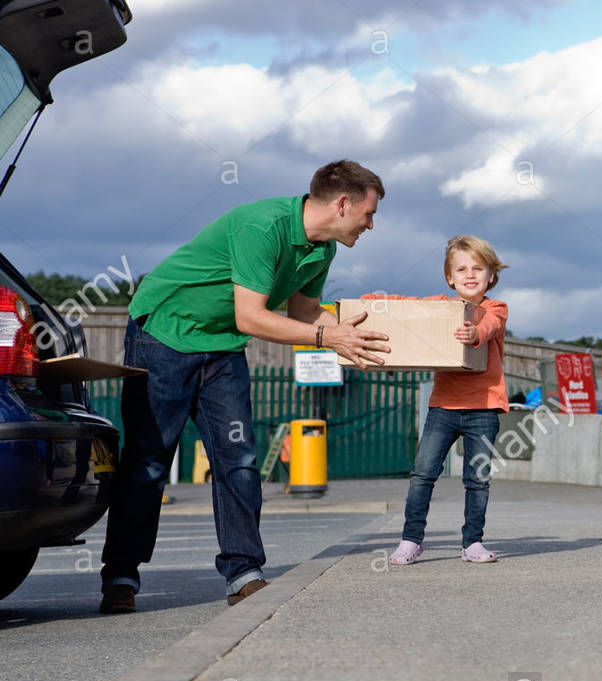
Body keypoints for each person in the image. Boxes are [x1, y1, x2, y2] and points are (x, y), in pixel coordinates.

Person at [99, 161, 391, 613]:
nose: (371, 224)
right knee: (149, 460)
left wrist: (361, 338)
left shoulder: (322, 249)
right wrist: (326, 337)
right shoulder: (263, 226)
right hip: (164, 332)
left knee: (238, 457)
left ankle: (243, 572)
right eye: (369, 214)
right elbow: (251, 317)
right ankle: (121, 574)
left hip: (221, 346)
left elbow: (306, 312)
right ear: (342, 203)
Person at [388, 235, 509, 566]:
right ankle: (411, 540)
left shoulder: (495, 308)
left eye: (478, 268)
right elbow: (408, 310)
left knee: (477, 480)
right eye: (461, 269)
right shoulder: (441, 308)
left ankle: (472, 542)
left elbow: (488, 326)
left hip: (484, 409)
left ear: (491, 276)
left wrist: (475, 333)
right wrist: (376, 304)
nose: (470, 275)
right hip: (443, 407)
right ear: (449, 277)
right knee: (423, 474)